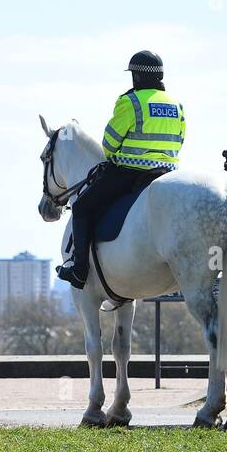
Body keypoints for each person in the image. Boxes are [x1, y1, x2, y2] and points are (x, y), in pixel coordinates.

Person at [56, 50, 185, 289]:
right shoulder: (176, 104)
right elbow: (180, 139)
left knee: (82, 207)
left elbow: (109, 144)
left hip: (131, 172)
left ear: (136, 76)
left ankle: (79, 270)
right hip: (168, 172)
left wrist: (119, 156)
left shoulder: (130, 101)